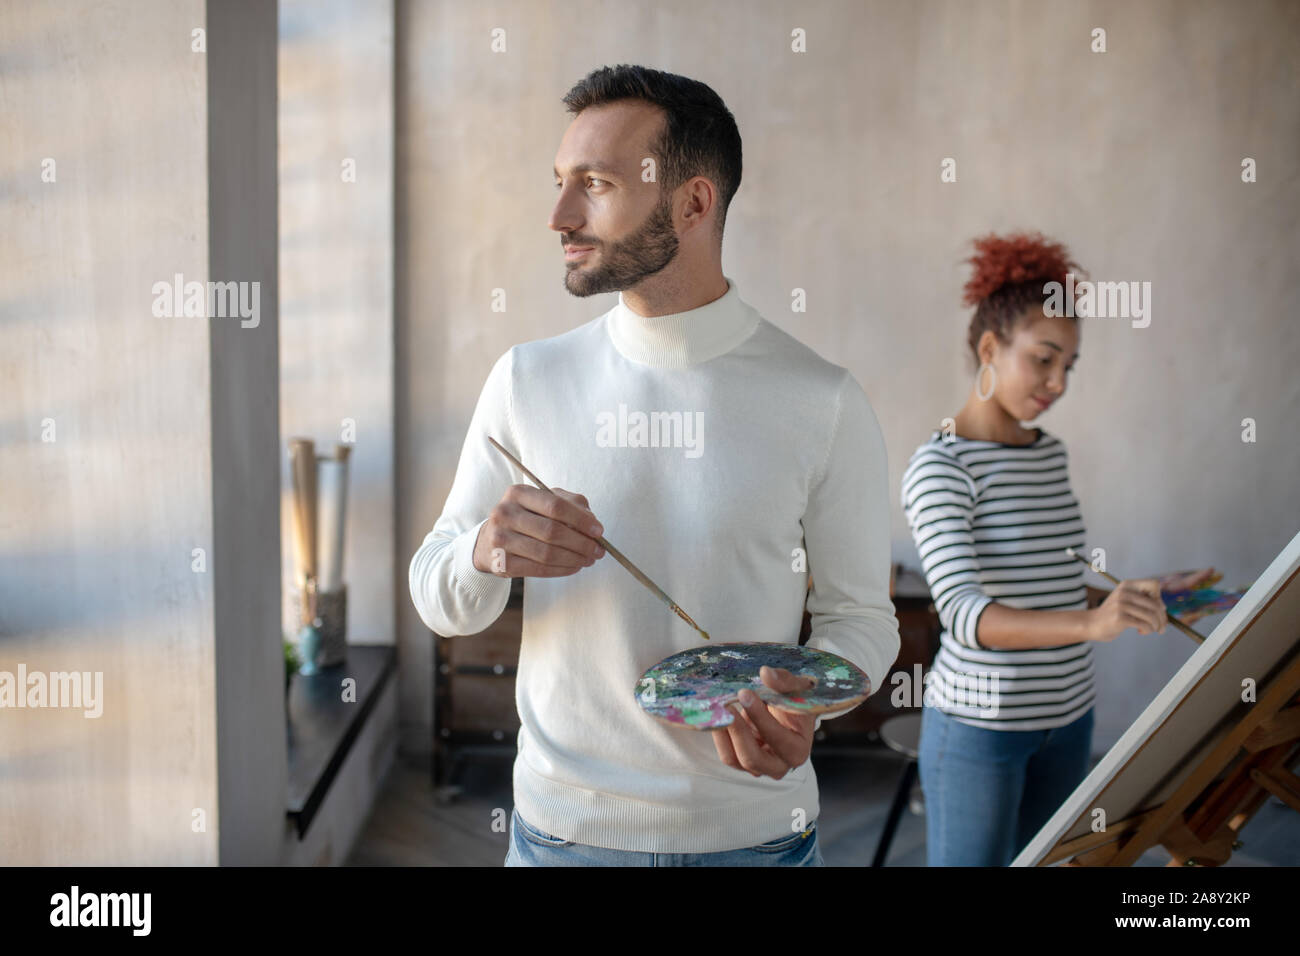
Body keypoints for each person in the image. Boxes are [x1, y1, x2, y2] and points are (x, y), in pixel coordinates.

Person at [409, 64, 900, 866]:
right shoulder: (528, 380)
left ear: (693, 203)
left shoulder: (823, 401)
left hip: (756, 840)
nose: (558, 215)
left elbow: (861, 619)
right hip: (560, 839)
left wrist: (811, 703)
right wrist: (482, 552)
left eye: (594, 184)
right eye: (561, 182)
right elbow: (440, 597)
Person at [900, 231, 1174, 866]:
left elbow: (1053, 581)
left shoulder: (1049, 453)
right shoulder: (941, 467)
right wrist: (1094, 623)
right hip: (979, 731)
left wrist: (1131, 596)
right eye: (1045, 358)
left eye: (1069, 366)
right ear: (991, 348)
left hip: (1070, 719)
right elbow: (966, 616)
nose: (1058, 382)